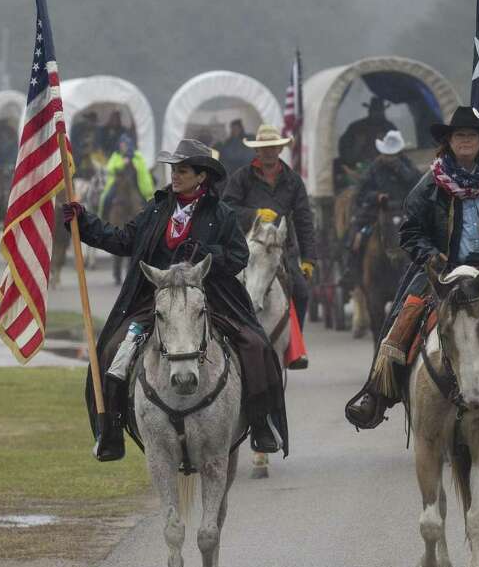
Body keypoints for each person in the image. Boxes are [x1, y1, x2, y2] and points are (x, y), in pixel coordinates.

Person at [61, 138, 288, 462]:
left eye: (182, 171)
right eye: (174, 170)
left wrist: (205, 252)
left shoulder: (221, 214)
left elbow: (239, 255)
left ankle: (261, 424)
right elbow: (123, 239)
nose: (175, 176)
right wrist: (83, 222)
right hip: (156, 301)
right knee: (113, 349)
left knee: (256, 346)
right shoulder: (156, 210)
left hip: (210, 300)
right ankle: (111, 432)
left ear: (201, 177)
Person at [344, 106, 479, 434]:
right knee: (400, 324)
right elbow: (410, 231)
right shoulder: (430, 183)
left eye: (471, 135)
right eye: (459, 135)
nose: (465, 140)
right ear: (448, 141)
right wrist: (430, 255)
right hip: (447, 275)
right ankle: (377, 391)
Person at [222, 124, 316, 367]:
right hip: (248, 248)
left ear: (280, 149)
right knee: (226, 289)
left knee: (302, 293)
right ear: (257, 151)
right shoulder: (242, 177)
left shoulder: (293, 181)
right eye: (264, 148)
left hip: (283, 249)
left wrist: (308, 260)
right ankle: (226, 342)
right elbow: (226, 208)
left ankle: (294, 347)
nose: (268, 152)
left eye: (272, 147)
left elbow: (304, 220)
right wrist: (253, 214)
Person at [342, 129, 421, 284]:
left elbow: (416, 183)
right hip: (377, 210)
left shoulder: (407, 166)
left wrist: (400, 169)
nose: (389, 157)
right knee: (356, 235)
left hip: (405, 210)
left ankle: (424, 269)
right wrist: (377, 197)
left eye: (393, 154)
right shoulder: (375, 168)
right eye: (387, 154)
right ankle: (351, 270)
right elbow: (361, 192)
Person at [99, 134, 155, 214]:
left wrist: (132, 164)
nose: (122, 147)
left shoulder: (137, 156)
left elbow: (143, 172)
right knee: (107, 199)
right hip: (118, 184)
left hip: (135, 183)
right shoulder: (116, 156)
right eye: (121, 145)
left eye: (124, 145)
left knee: (146, 202)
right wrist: (123, 163)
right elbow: (110, 169)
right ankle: (103, 218)